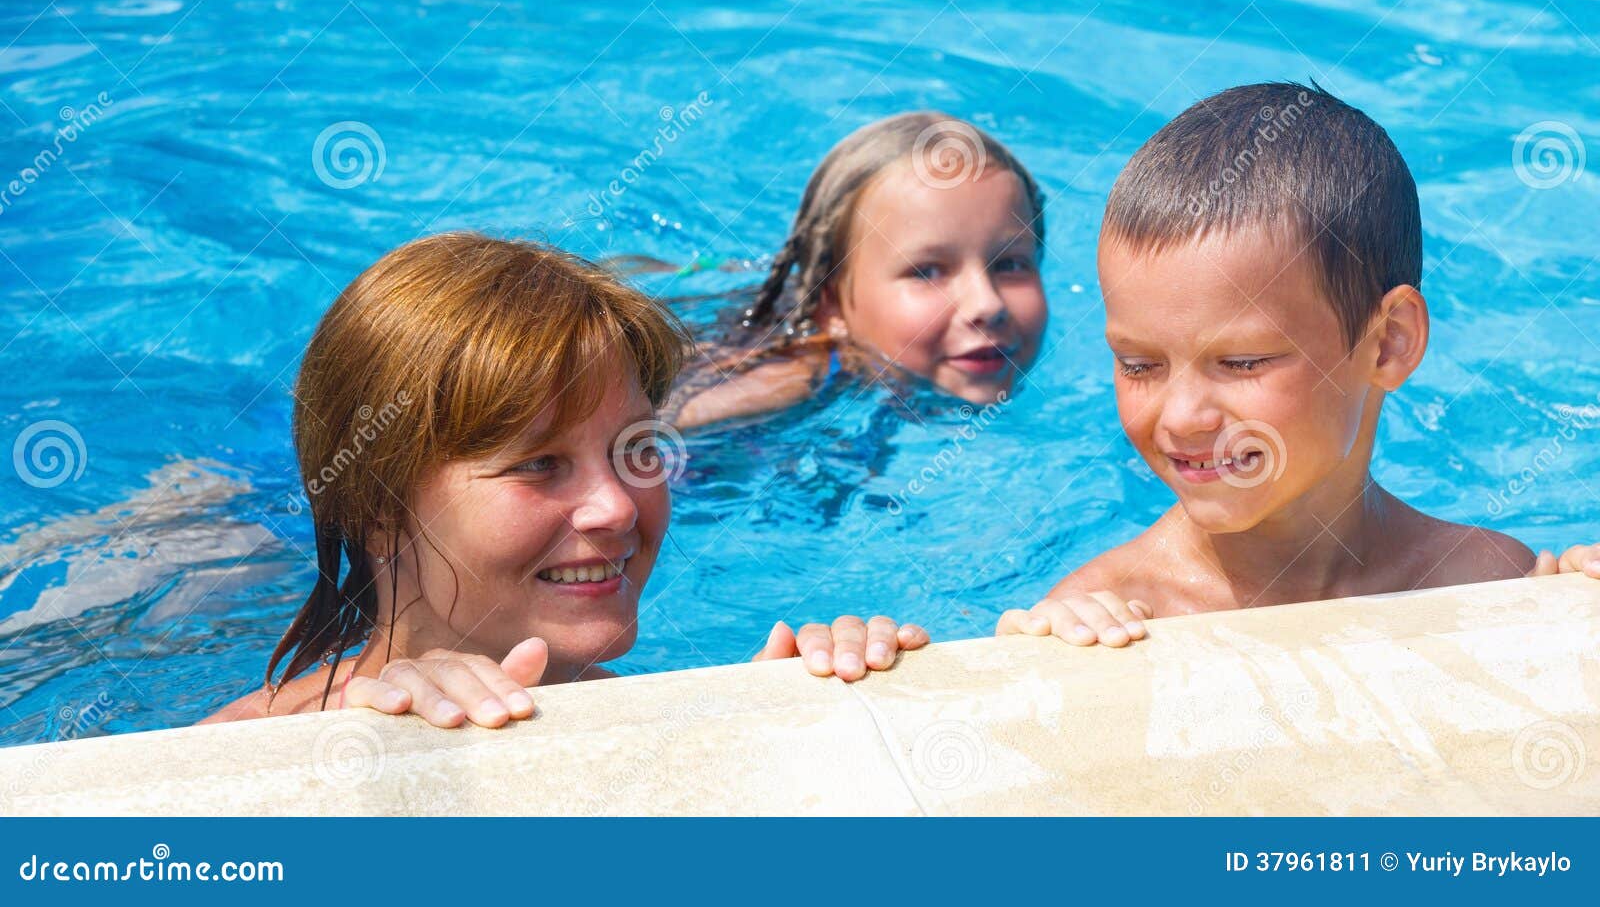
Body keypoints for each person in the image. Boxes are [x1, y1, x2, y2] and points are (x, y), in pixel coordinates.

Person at [203, 233, 928, 729]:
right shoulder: (240, 756)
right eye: (540, 464)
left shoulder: (659, 721)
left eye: (636, 448)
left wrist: (760, 737)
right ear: (379, 509)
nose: (617, 506)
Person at [997, 82, 1600, 647]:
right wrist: (1047, 649)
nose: (1181, 417)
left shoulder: (1483, 580)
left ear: (1388, 343)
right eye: (1138, 365)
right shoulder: (1115, 612)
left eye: (1240, 362)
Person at [667, 110, 1049, 429]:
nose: (987, 304)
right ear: (830, 303)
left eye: (1010, 264)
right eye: (927, 272)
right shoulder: (789, 380)